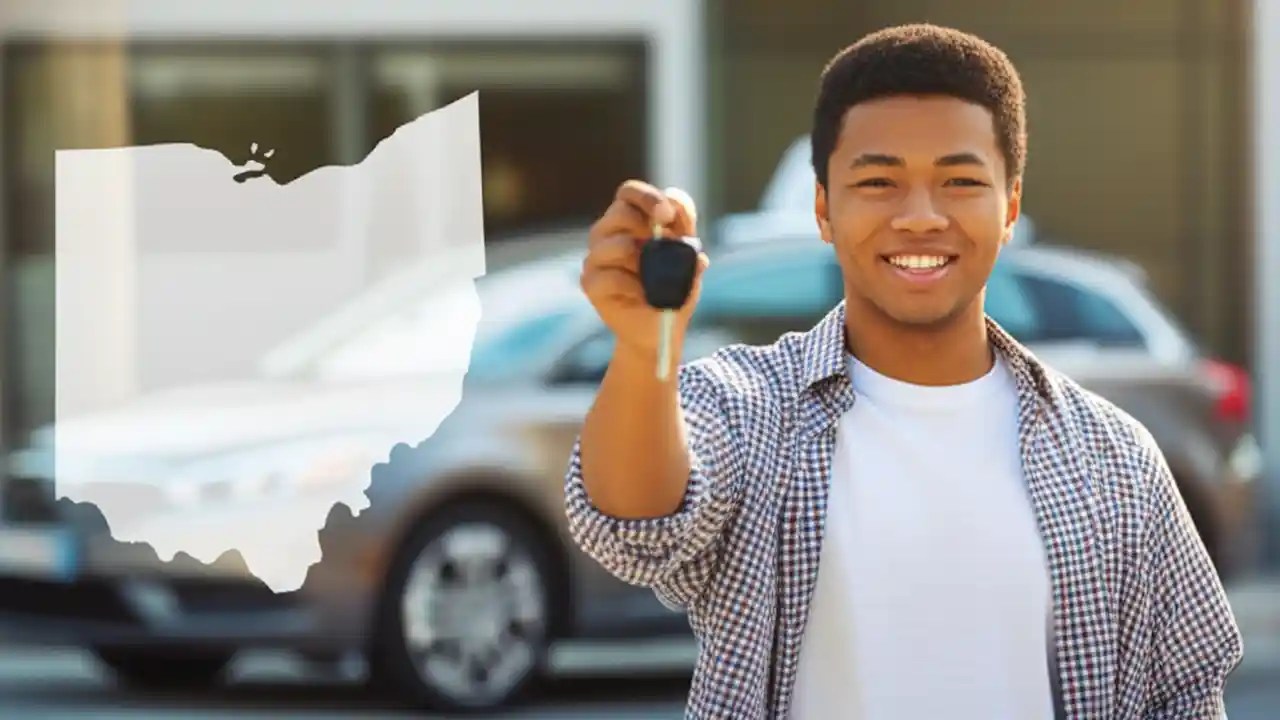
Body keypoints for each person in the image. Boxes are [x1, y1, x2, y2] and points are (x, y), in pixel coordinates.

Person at [564, 23, 1243, 720]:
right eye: (880, 181)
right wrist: (647, 350)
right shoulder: (749, 408)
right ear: (824, 209)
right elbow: (636, 526)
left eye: (959, 180)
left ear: (1009, 206)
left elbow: (1184, 693)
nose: (920, 217)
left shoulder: (1113, 457)